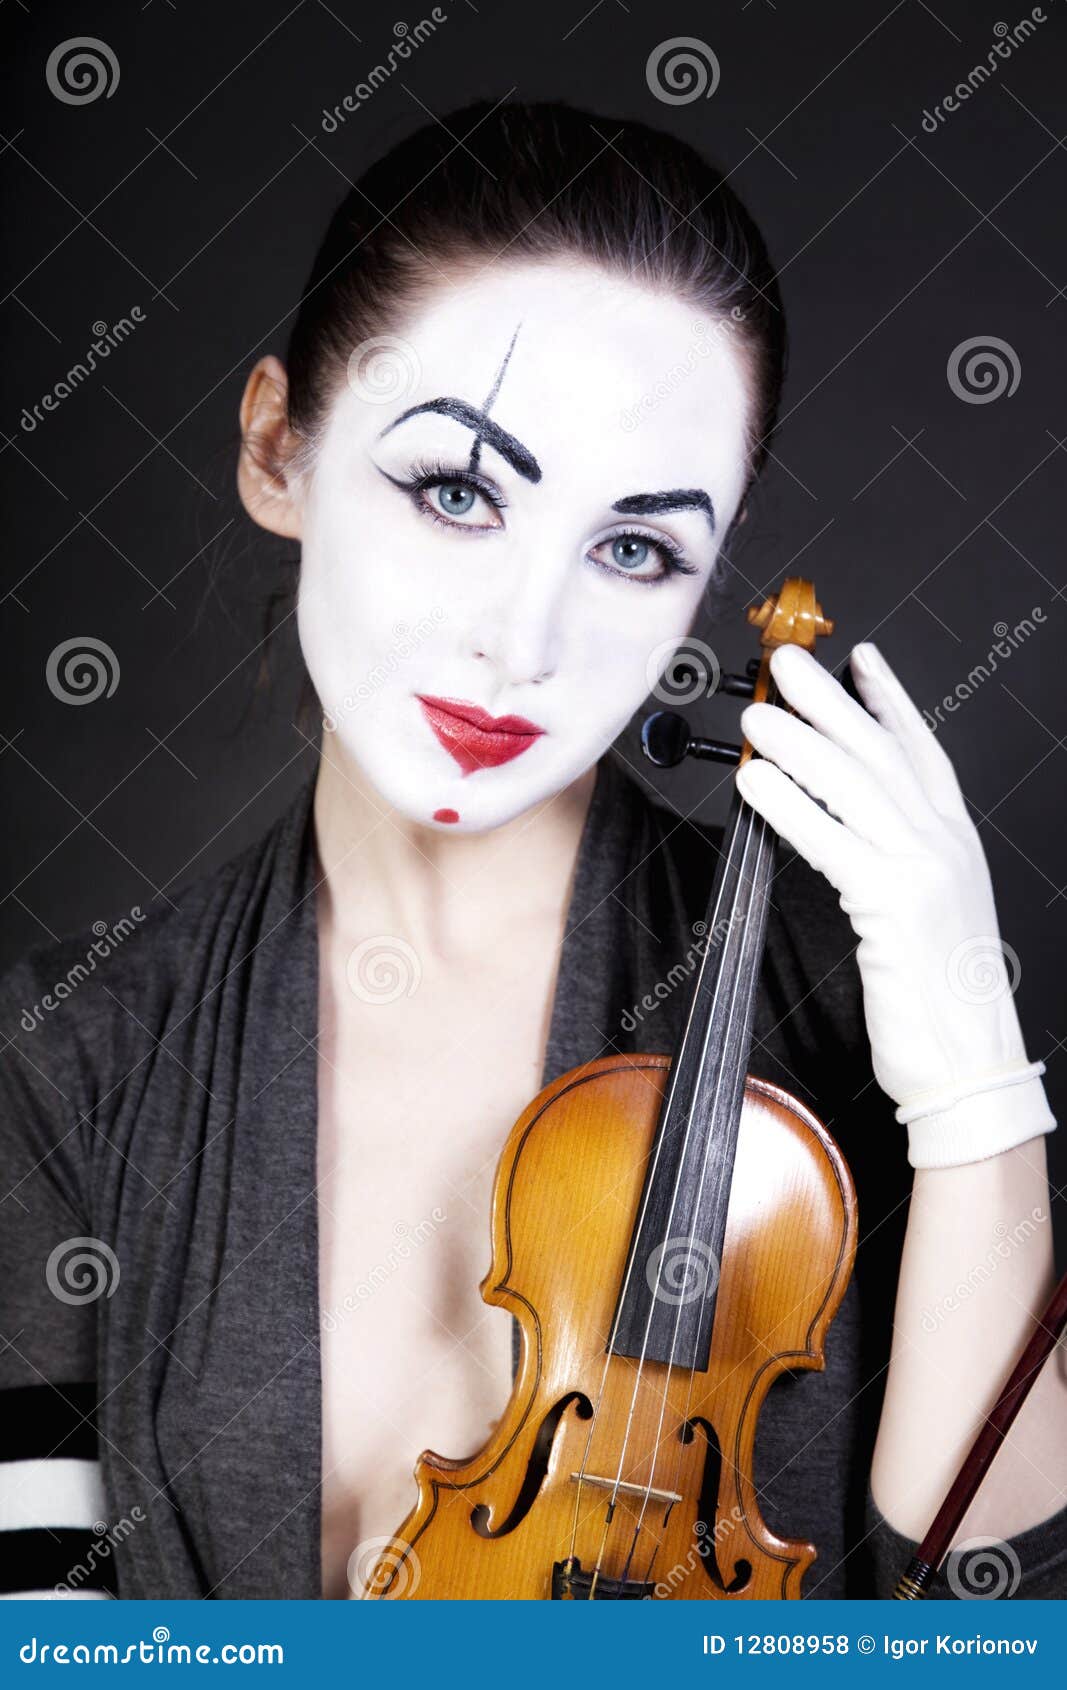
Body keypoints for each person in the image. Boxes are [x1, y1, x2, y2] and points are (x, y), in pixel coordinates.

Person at [1, 100, 1064, 1602]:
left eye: (634, 548)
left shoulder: (837, 1013)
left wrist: (972, 1077)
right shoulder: (70, 1061)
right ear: (276, 449)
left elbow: (1000, 1608)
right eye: (456, 492)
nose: (526, 639)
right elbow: (40, 1628)